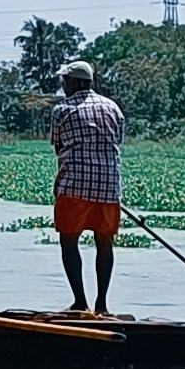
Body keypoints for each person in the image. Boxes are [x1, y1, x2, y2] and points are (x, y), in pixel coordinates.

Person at [50, 58, 126, 315]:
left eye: (65, 81)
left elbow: (59, 148)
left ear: (74, 82)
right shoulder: (113, 108)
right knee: (105, 242)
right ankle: (102, 306)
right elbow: (117, 143)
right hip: (108, 187)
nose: (63, 85)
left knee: (69, 241)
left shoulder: (62, 110)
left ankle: (80, 303)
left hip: (74, 186)